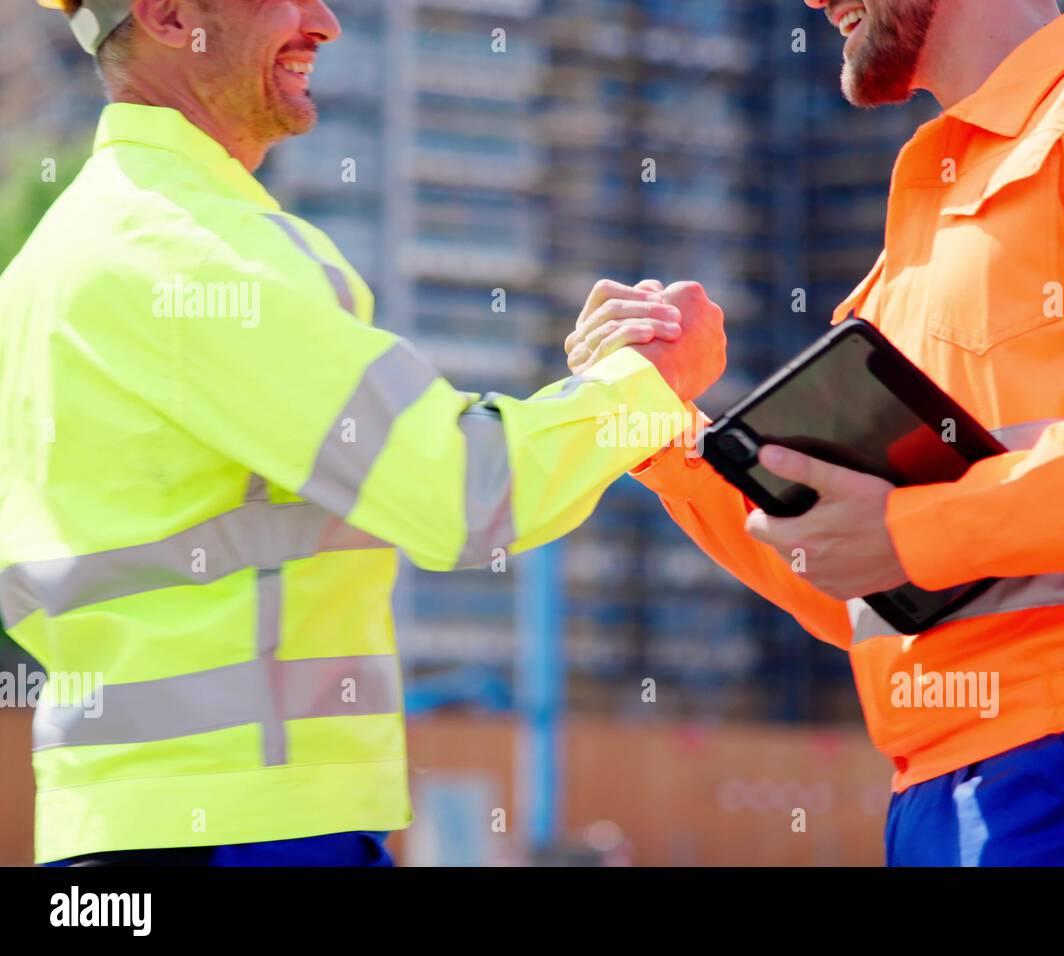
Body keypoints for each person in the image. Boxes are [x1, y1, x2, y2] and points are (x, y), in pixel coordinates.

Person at [570, 0, 1064, 865]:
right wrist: (664, 429)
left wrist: (914, 532)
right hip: (938, 792)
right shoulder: (909, 253)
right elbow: (858, 585)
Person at [2, 0, 725, 866]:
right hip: (253, 832)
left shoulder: (50, 265)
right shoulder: (199, 253)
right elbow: (464, 493)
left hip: (109, 831)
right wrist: (650, 385)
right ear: (165, 16)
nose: (325, 22)